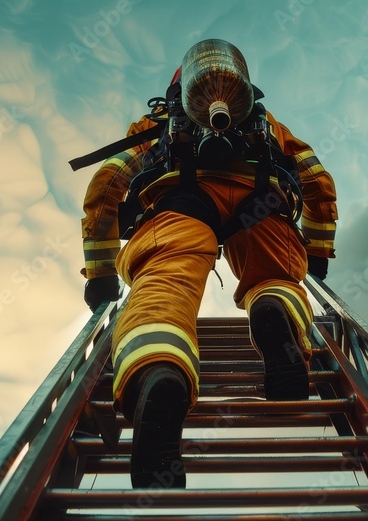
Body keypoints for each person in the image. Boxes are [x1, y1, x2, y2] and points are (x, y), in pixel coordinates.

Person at [77, 42, 337, 489]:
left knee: (164, 284)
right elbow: (316, 180)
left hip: (181, 199)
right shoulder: (266, 123)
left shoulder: (157, 124)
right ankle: (277, 321)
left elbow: (106, 186)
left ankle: (158, 372)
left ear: (177, 89)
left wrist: (99, 274)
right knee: (276, 279)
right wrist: (316, 249)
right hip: (263, 202)